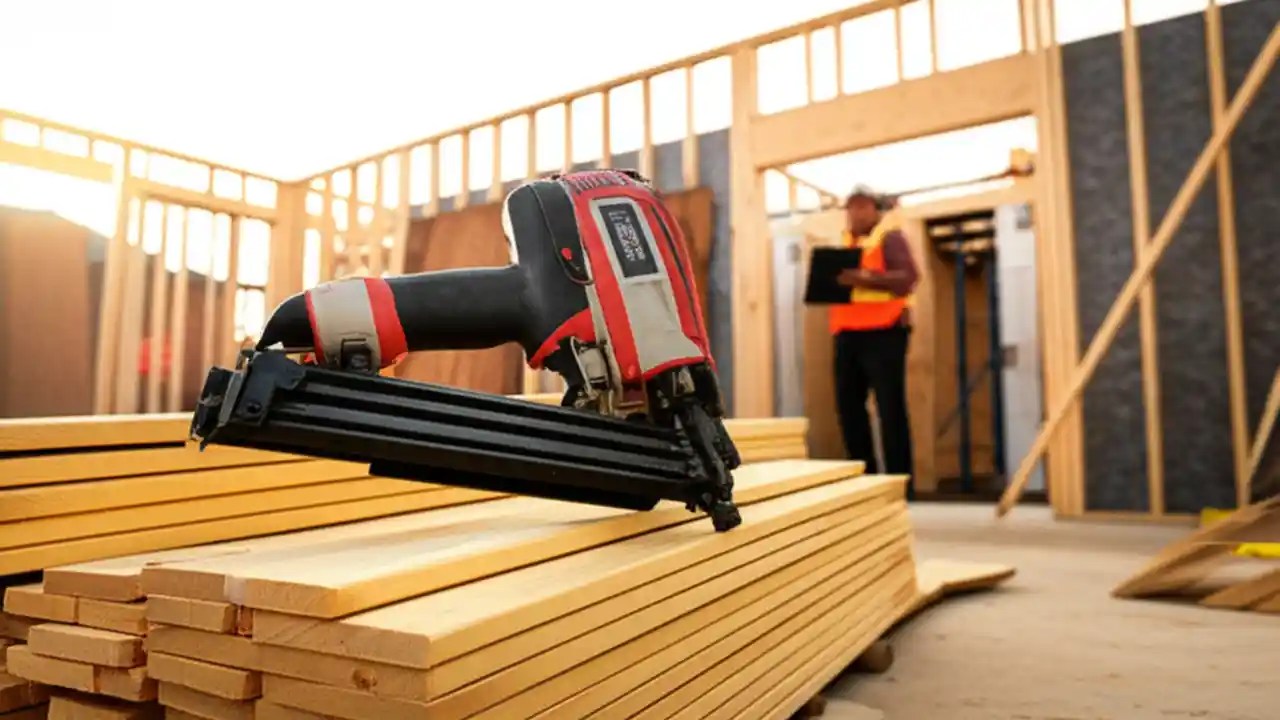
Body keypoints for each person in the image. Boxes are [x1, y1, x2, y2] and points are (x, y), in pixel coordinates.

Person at [828, 187, 920, 496]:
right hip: (847, 335)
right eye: (851, 207)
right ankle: (865, 483)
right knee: (849, 408)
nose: (856, 213)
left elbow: (908, 278)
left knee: (889, 408)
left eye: (864, 207)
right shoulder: (844, 244)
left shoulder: (889, 238)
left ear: (876, 211)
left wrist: (863, 278)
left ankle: (900, 484)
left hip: (884, 332)